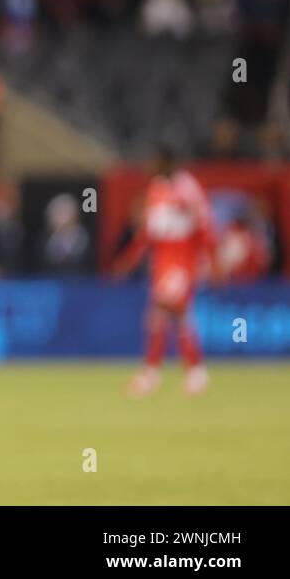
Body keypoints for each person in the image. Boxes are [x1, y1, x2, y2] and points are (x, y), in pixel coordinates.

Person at [111, 145, 226, 397]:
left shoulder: (188, 188)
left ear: (167, 162)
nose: (150, 167)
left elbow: (205, 226)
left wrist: (214, 262)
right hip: (162, 260)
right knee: (167, 316)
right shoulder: (157, 189)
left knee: (164, 310)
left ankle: (160, 373)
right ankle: (191, 372)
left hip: (182, 260)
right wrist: (129, 259)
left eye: (154, 162)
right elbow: (148, 233)